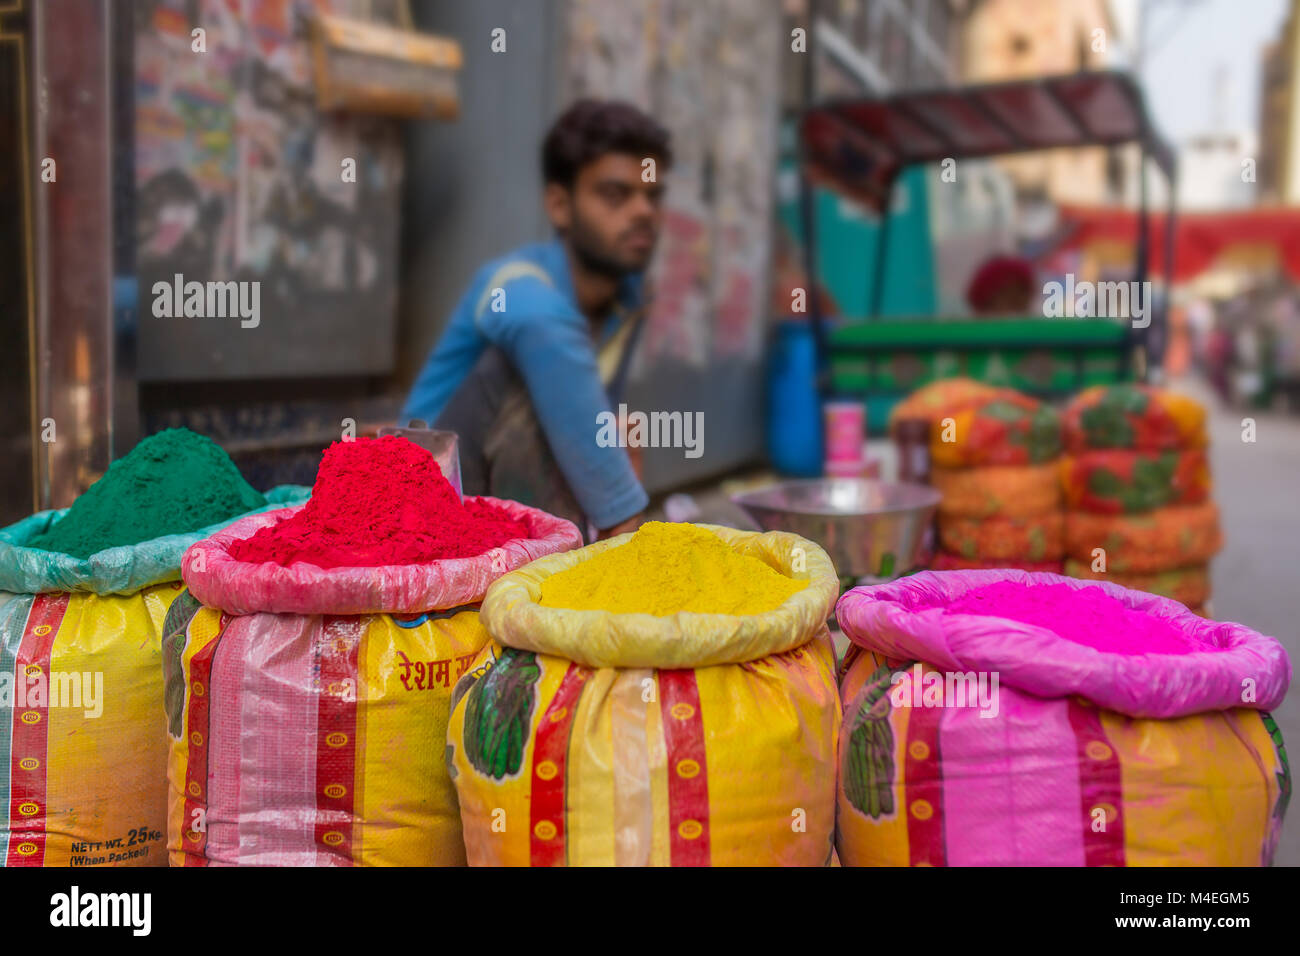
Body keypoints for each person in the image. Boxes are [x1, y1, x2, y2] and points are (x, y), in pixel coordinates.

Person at [403, 100, 671, 541]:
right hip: (422, 515)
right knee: (522, 362)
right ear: (560, 204)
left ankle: (563, 560)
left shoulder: (629, 298)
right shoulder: (514, 283)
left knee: (616, 422)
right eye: (616, 194)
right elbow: (541, 327)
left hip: (517, 523)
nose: (643, 211)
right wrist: (626, 527)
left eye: (653, 195)